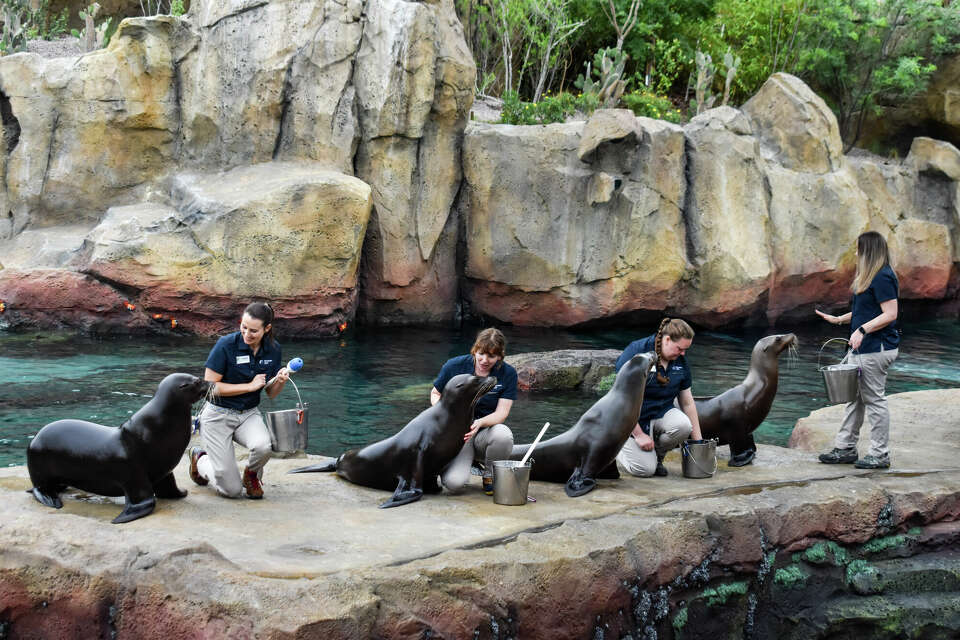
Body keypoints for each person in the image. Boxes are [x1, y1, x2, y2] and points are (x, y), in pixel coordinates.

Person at [815, 231, 900, 469]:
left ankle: (880, 454)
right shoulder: (870, 276)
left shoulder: (883, 276)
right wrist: (840, 320)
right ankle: (845, 448)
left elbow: (890, 314)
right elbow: (869, 311)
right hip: (863, 348)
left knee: (874, 400)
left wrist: (862, 331)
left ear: (868, 251)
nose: (855, 253)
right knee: (854, 399)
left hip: (875, 348)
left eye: (858, 249)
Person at [189, 302, 290, 499]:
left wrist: (280, 381)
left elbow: (271, 393)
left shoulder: (273, 349)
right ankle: (200, 459)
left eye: (253, 330)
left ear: (266, 328)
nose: (246, 334)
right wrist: (249, 387)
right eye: (243, 327)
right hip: (218, 415)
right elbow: (208, 388)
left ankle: (251, 475)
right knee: (231, 491)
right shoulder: (226, 345)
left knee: (263, 447)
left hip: (248, 414)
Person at [432, 328, 517, 495]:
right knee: (453, 484)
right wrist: (444, 413)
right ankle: (460, 463)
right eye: (481, 354)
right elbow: (436, 393)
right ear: (475, 349)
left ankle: (489, 475)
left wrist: (480, 423)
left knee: (503, 435)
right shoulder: (454, 366)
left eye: (491, 356)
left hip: (484, 431)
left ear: (500, 356)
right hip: (457, 435)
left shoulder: (507, 373)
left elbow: (502, 413)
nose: (485, 360)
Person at [615, 318, 703, 477]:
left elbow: (687, 402)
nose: (683, 354)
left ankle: (657, 458)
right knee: (644, 470)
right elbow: (621, 401)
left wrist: (698, 442)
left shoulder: (680, 360)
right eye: (680, 349)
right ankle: (616, 449)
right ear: (667, 339)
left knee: (683, 426)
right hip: (631, 420)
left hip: (660, 413)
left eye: (685, 350)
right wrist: (639, 435)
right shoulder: (637, 351)